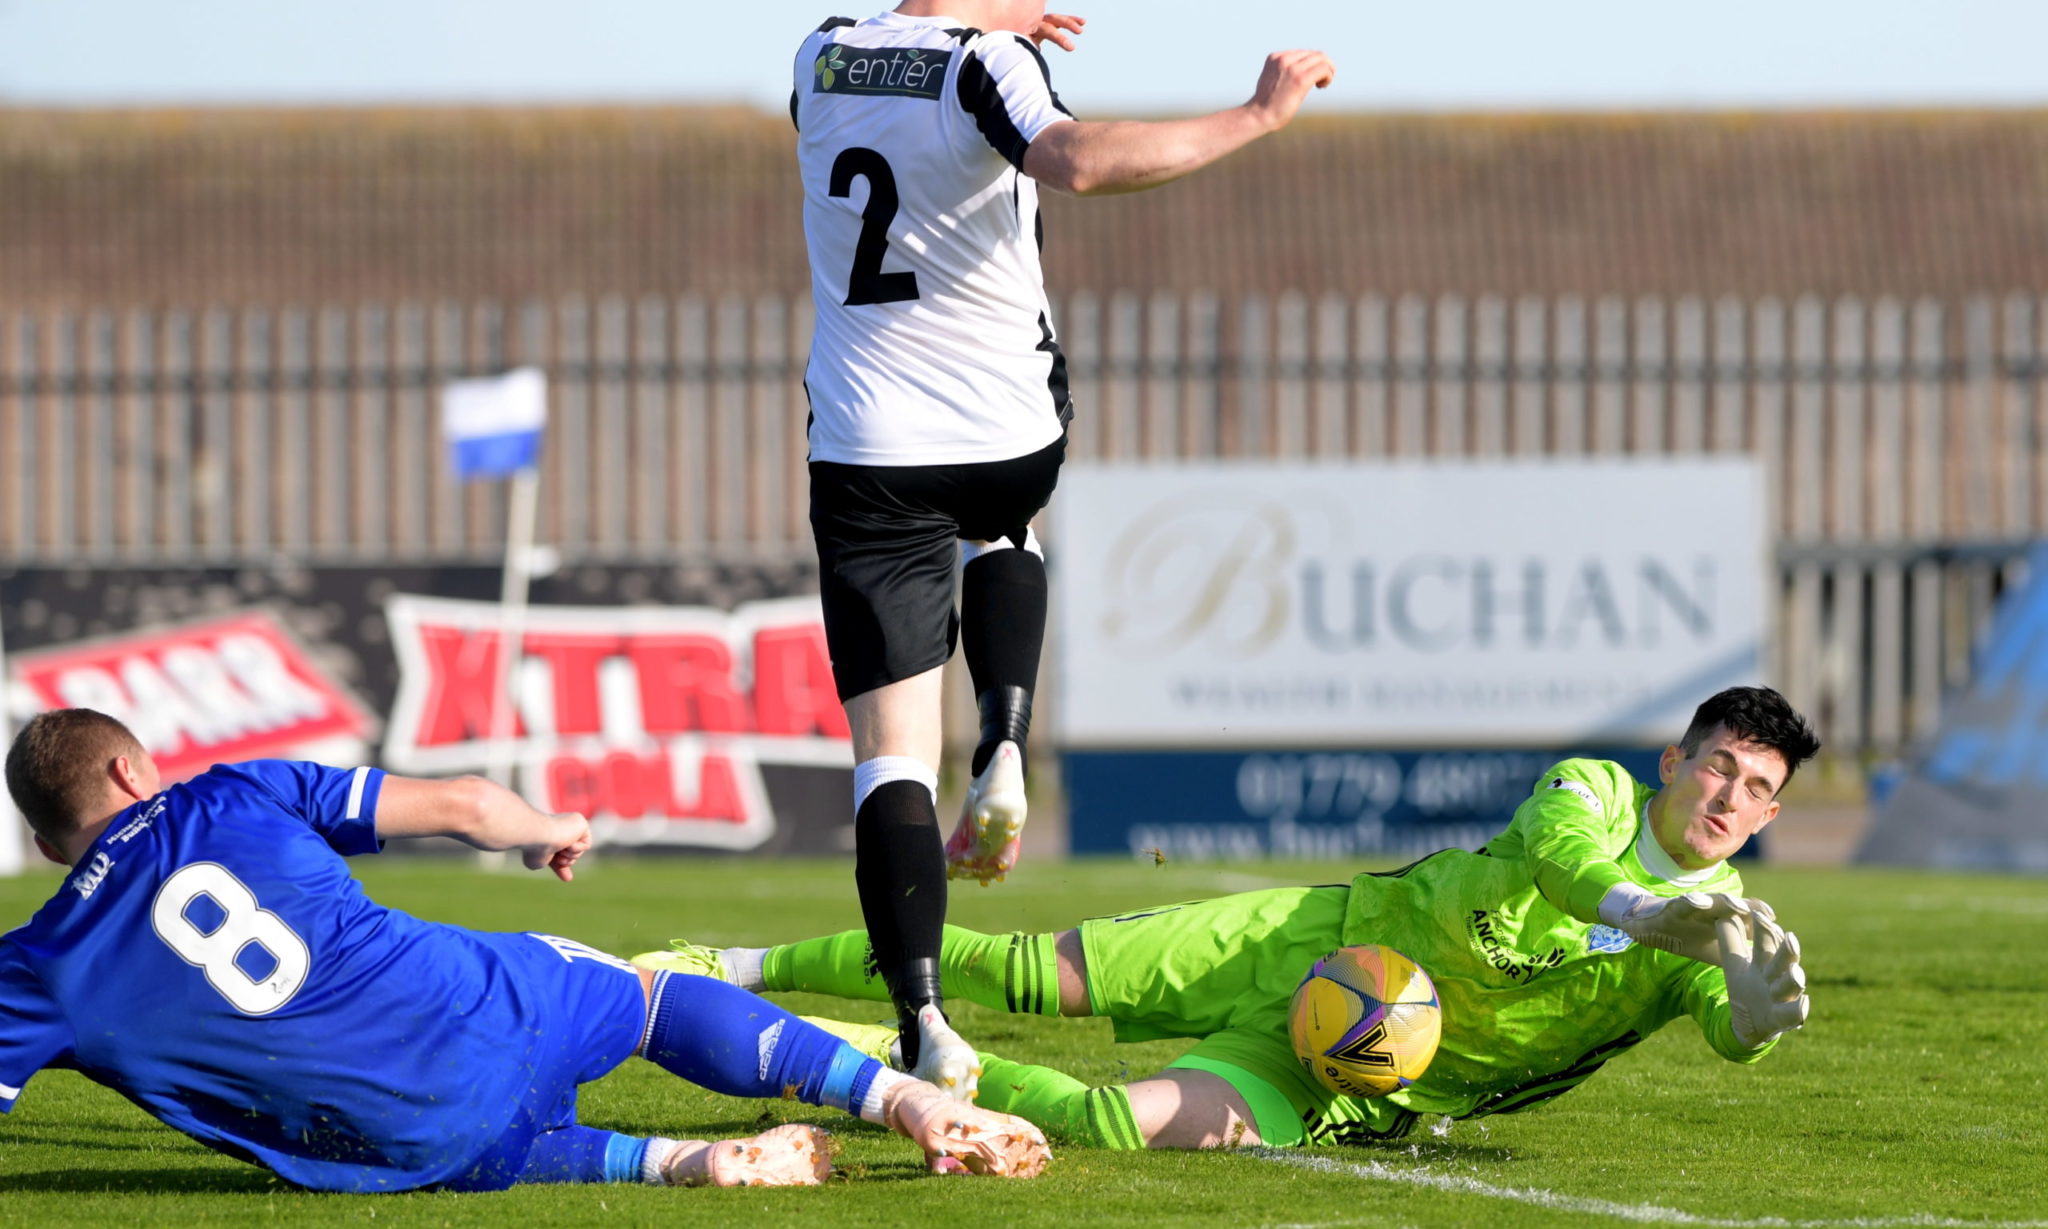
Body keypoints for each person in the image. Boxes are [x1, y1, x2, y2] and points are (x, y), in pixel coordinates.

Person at [791, 1, 1337, 1100]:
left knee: (889, 757)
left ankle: (924, 1020)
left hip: (866, 445)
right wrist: (1255, 114)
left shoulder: (823, 48)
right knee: (1003, 524)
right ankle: (1005, 733)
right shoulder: (988, 65)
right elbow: (1074, 160)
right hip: (1001, 429)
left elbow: (913, 74)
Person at [637, 686, 1818, 1149]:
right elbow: (1564, 866)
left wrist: (1753, 1022)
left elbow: (1725, 1019)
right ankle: (723, 959)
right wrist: (1637, 909)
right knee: (1024, 967)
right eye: (1718, 765)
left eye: (1756, 788)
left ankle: (890, 1061)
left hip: (1348, 1069)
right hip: (1303, 939)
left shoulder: (1727, 932)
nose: (1728, 798)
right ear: (1673, 759)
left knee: (1109, 1127)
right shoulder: (1597, 790)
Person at [0, 709, 1048, 1192]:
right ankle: (896, 1096)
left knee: (452, 1141)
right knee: (643, 997)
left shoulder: (37, 967)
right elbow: (457, 802)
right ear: (137, 769)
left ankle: (681, 1164)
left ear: (48, 846)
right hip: (484, 1006)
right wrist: (547, 825)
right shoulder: (228, 792)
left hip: (398, 1139)